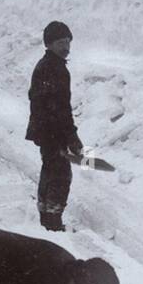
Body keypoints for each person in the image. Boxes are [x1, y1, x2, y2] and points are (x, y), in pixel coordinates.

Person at [26, 21, 82, 232]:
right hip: (52, 130)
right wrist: (71, 136)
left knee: (50, 169)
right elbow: (58, 107)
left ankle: (45, 214)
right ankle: (53, 220)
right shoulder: (54, 69)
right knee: (60, 174)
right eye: (60, 42)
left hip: (46, 129)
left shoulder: (49, 65)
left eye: (68, 41)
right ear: (48, 44)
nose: (66, 46)